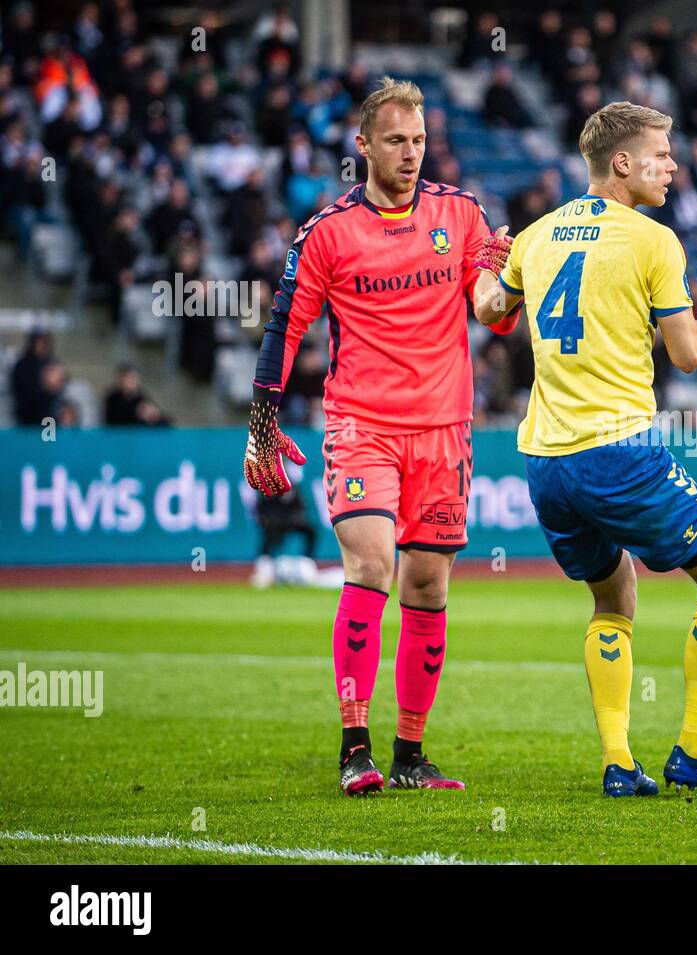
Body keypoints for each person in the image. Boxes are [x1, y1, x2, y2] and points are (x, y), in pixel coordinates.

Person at [243, 77, 517, 797]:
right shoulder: (329, 232)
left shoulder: (460, 215)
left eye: (420, 140)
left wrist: (509, 281)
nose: (410, 153)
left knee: (427, 586)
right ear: (362, 145)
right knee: (371, 565)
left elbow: (490, 309)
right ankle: (353, 748)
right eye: (396, 140)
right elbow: (283, 330)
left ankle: (410, 754)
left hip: (444, 432)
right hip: (361, 427)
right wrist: (263, 427)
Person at [473, 102, 697, 798]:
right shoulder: (653, 240)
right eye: (662, 153)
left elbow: (487, 311)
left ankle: (619, 762)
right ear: (621, 163)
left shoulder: (538, 235)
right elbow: (687, 355)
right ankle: (692, 750)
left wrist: (487, 264)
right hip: (617, 449)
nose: (673, 165)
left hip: (544, 458)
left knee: (613, 597)